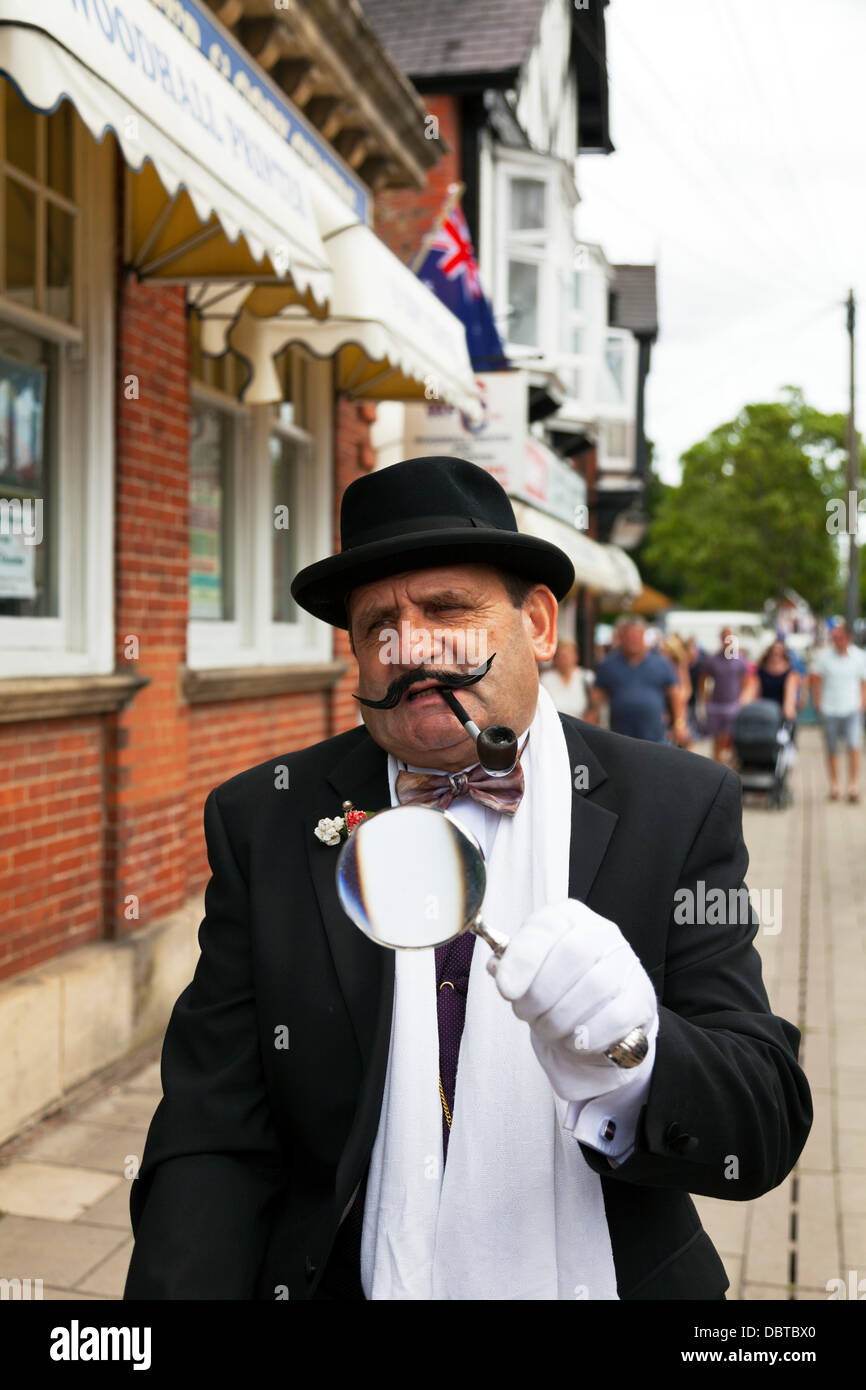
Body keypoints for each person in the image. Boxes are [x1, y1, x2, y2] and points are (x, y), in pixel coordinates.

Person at [124, 456, 811, 1302]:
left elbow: (762, 1120)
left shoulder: (679, 807)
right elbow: (212, 1131)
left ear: (539, 624)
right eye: (380, 625)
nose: (412, 647)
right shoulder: (265, 818)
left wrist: (634, 1051)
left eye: (447, 609)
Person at [589, 616, 688, 746]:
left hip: (655, 737)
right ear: (621, 638)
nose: (633, 640)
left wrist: (679, 723)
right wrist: (592, 720)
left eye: (636, 635)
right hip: (620, 738)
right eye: (629, 636)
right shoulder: (608, 664)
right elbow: (597, 696)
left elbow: (675, 694)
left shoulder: (660, 663)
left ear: (643, 636)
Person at [810, 622, 866, 803]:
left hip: (852, 708)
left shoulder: (859, 656)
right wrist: (818, 702)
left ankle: (853, 785)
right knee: (832, 747)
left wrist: (862, 704)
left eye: (840, 637)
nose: (837, 640)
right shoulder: (824, 657)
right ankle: (835, 784)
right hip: (830, 708)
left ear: (848, 638)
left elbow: (863, 682)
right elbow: (816, 680)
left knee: (854, 746)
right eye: (834, 638)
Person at [698, 628, 751, 764]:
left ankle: (724, 762)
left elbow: (746, 680)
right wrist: (705, 699)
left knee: (727, 736)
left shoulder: (739, 660)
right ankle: (716, 762)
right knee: (716, 738)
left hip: (732, 704)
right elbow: (703, 679)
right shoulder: (712, 660)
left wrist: (742, 697)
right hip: (716, 704)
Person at [749, 638, 800, 727]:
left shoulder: (790, 674)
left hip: (782, 713)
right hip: (764, 713)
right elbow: (751, 692)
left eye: (779, 652)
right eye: (774, 652)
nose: (776, 655)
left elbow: (790, 697)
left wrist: (789, 712)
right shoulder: (761, 673)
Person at [540, 637, 592, 717]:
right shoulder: (545, 679)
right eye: (561, 656)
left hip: (579, 723)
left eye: (568, 655)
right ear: (555, 658)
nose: (565, 659)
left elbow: (594, 708)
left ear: (576, 656)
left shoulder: (587, 677)